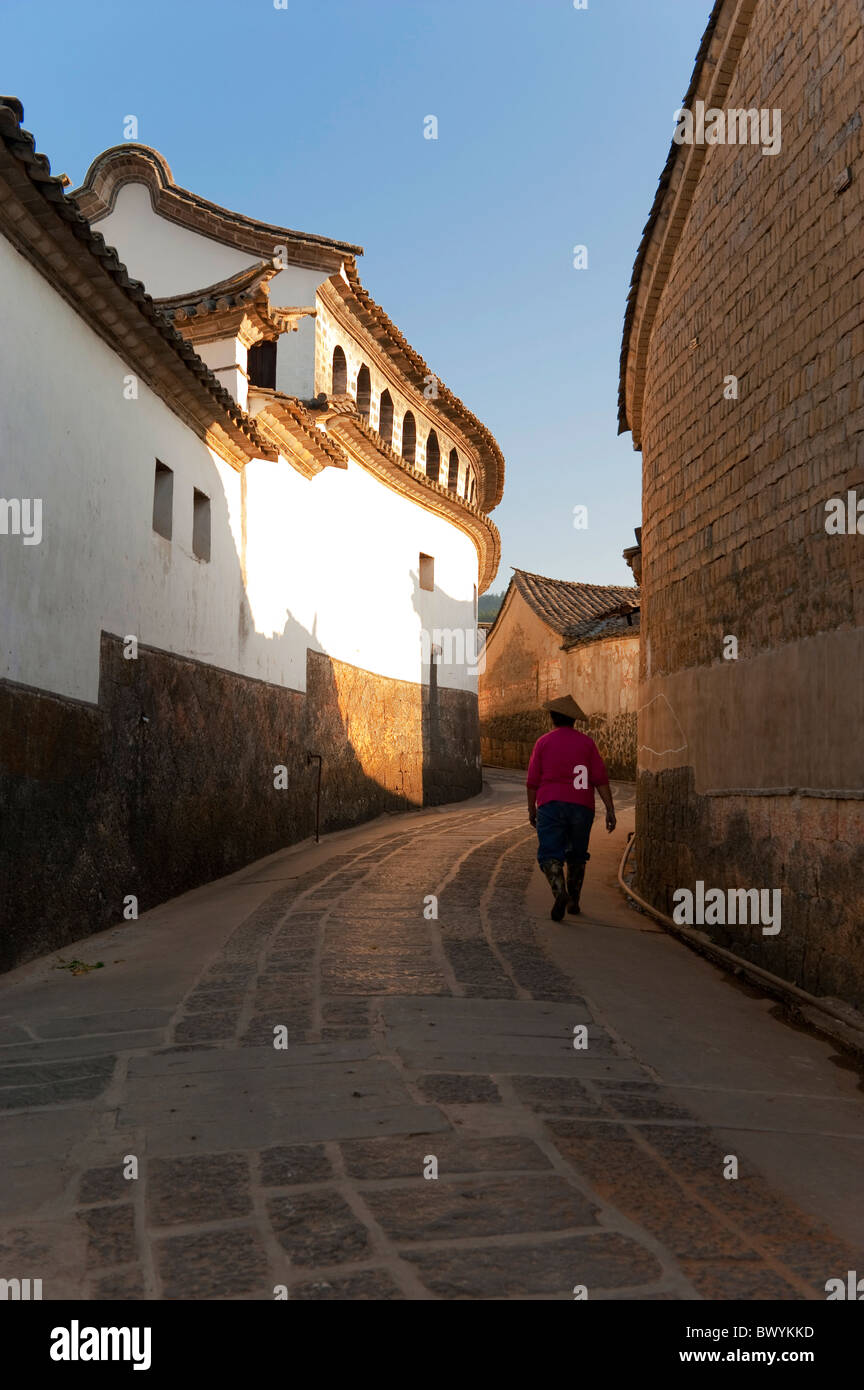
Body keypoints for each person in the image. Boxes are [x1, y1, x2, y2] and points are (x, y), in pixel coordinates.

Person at [526, 695, 616, 921]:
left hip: (550, 804)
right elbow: (600, 778)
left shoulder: (543, 743)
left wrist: (531, 809)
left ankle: (559, 890)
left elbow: (532, 781)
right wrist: (610, 809)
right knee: (577, 855)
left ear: (553, 718)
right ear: (573, 720)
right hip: (581, 807)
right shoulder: (587, 744)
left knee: (549, 853)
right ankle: (574, 901)